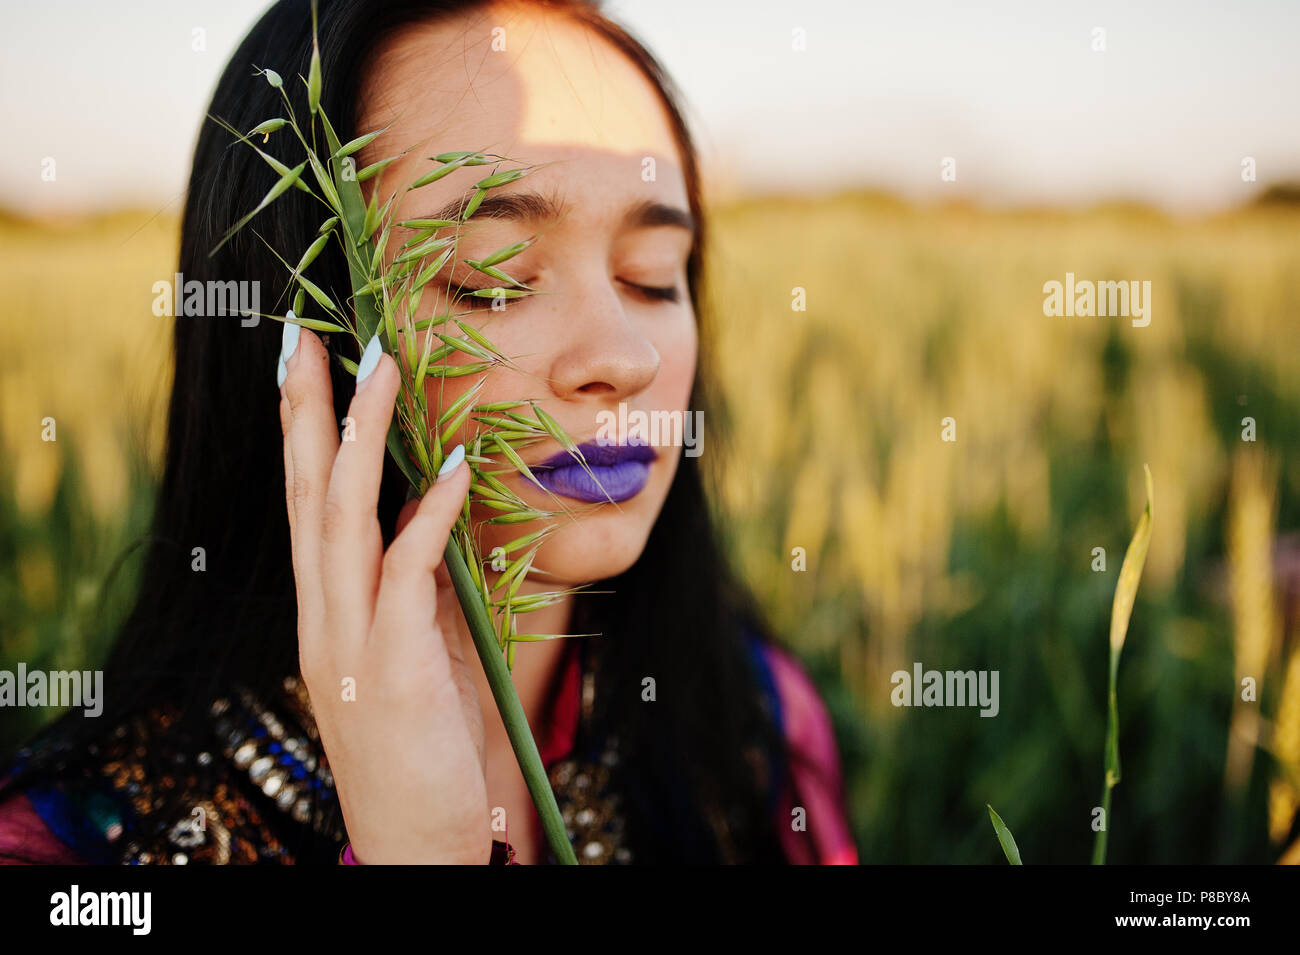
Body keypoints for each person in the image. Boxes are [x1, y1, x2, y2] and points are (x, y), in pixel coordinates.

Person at [0, 0, 857, 865]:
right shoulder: (69, 849)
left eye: (652, 278)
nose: (625, 359)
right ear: (304, 339)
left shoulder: (758, 720)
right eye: (492, 281)